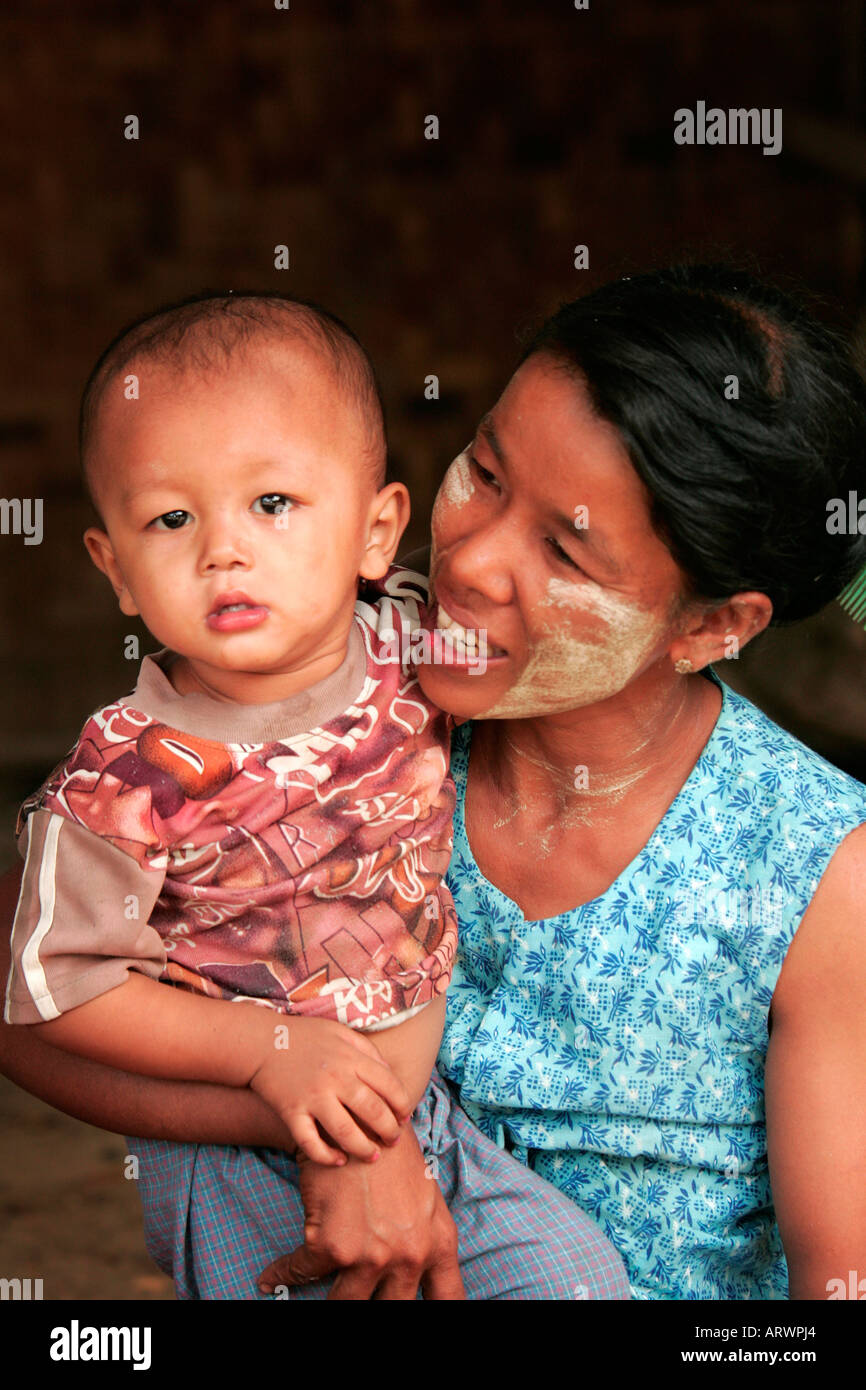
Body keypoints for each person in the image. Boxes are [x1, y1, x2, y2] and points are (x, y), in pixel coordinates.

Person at [2, 264, 865, 1299]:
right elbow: (32, 997)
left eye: (564, 550)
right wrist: (339, 1129)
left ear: (710, 626)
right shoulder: (339, 676)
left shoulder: (812, 871)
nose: (467, 563)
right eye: (486, 473)